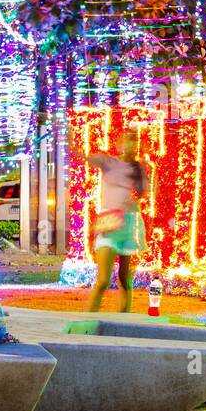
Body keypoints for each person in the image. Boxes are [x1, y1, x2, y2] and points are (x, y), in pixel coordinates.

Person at [85, 129, 149, 313]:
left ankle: (124, 319)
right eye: (128, 140)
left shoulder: (138, 168)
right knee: (103, 280)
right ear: (120, 143)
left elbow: (143, 193)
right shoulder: (109, 162)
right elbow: (84, 156)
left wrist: (134, 200)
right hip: (110, 221)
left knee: (124, 279)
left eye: (135, 141)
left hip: (129, 222)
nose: (131, 145)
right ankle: (88, 320)